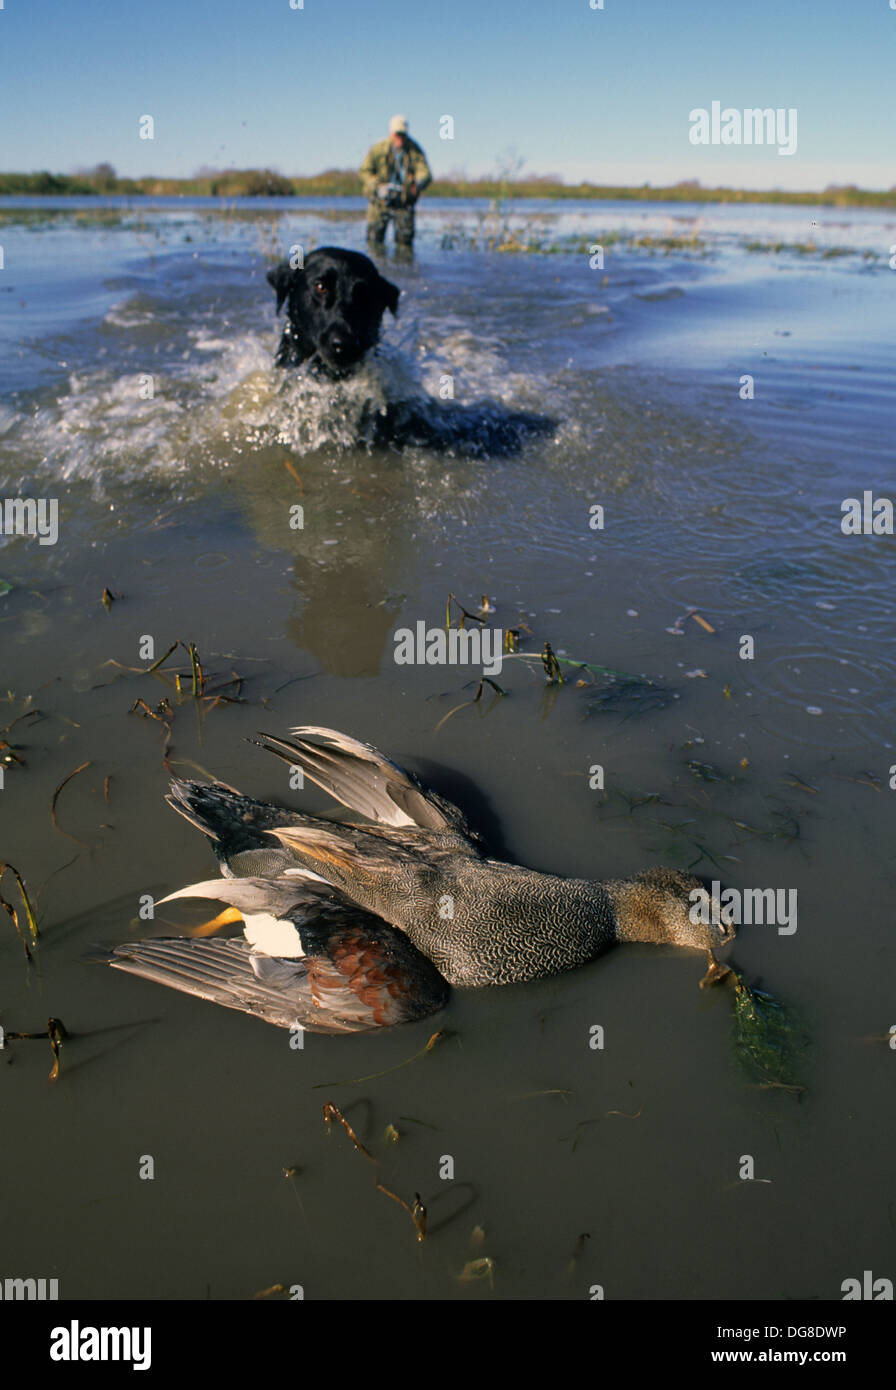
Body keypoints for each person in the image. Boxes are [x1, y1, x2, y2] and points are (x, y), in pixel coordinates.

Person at [360, 115, 432, 250]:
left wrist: (418, 183)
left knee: (405, 244)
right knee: (374, 242)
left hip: (404, 202)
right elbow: (364, 172)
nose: (400, 138)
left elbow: (426, 173)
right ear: (391, 133)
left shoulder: (415, 150)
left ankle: (405, 268)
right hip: (379, 202)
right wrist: (376, 185)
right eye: (397, 134)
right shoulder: (378, 149)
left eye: (403, 134)